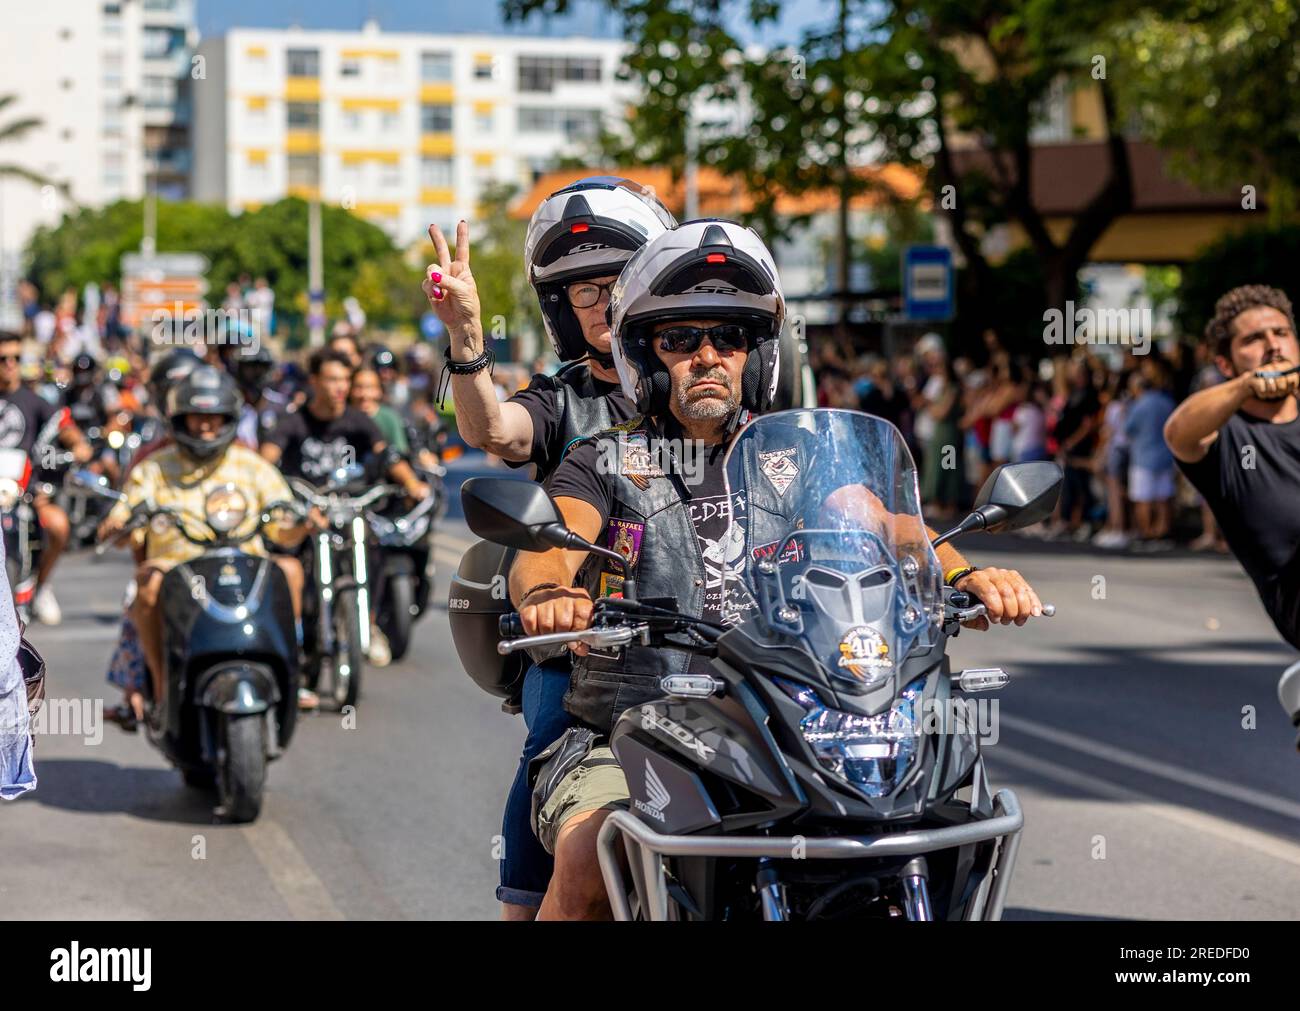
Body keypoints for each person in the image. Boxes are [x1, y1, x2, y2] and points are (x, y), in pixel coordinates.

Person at [508, 221, 1045, 919]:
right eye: (680, 340)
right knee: (588, 850)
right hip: (631, 724)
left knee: (926, 817)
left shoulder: (798, 458)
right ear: (646, 354)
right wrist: (550, 593)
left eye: (728, 339)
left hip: (782, 723)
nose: (707, 357)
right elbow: (550, 545)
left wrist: (968, 576)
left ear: (755, 356)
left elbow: (890, 524)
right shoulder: (602, 460)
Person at [425, 177, 677, 920]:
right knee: (561, 756)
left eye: (618, 281)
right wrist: (468, 343)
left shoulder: (720, 402)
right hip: (585, 657)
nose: (601, 301)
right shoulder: (563, 401)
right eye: (582, 291)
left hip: (711, 653)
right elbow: (494, 433)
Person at [98, 367, 311, 718]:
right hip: (177, 574)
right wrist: (116, 523)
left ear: (229, 419)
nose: (205, 427)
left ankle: (291, 672)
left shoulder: (252, 465)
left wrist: (303, 526)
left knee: (289, 569)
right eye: (197, 418)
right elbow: (126, 523)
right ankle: (163, 687)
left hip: (246, 570)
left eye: (214, 418)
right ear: (179, 419)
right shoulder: (153, 468)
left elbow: (283, 529)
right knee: (147, 583)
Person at [260, 349, 429, 679]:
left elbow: (387, 456)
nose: (340, 387)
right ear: (314, 382)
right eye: (333, 379)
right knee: (288, 561)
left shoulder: (357, 422)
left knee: (377, 546)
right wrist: (263, 484)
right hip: (307, 512)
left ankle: (371, 622)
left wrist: (410, 483)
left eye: (345, 380)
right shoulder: (294, 422)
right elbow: (267, 459)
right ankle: (293, 632)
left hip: (351, 509)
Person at [1164, 284, 1300, 650]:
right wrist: (1247, 385)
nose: (1273, 345)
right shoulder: (1225, 436)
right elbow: (1178, 433)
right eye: (1254, 339)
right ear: (1225, 363)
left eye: (1282, 333)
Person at [0, 331, 94, 625]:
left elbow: (65, 426)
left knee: (58, 526)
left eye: (16, 358)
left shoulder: (34, 400)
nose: (11, 365)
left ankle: (40, 586)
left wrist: (78, 446)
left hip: (26, 491)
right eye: (3, 359)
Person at [1124, 363, 1177, 549]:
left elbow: (1128, 429)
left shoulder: (1138, 405)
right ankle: (1162, 532)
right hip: (1165, 455)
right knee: (1164, 497)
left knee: (1143, 498)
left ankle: (1146, 533)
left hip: (1143, 455)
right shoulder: (1167, 402)